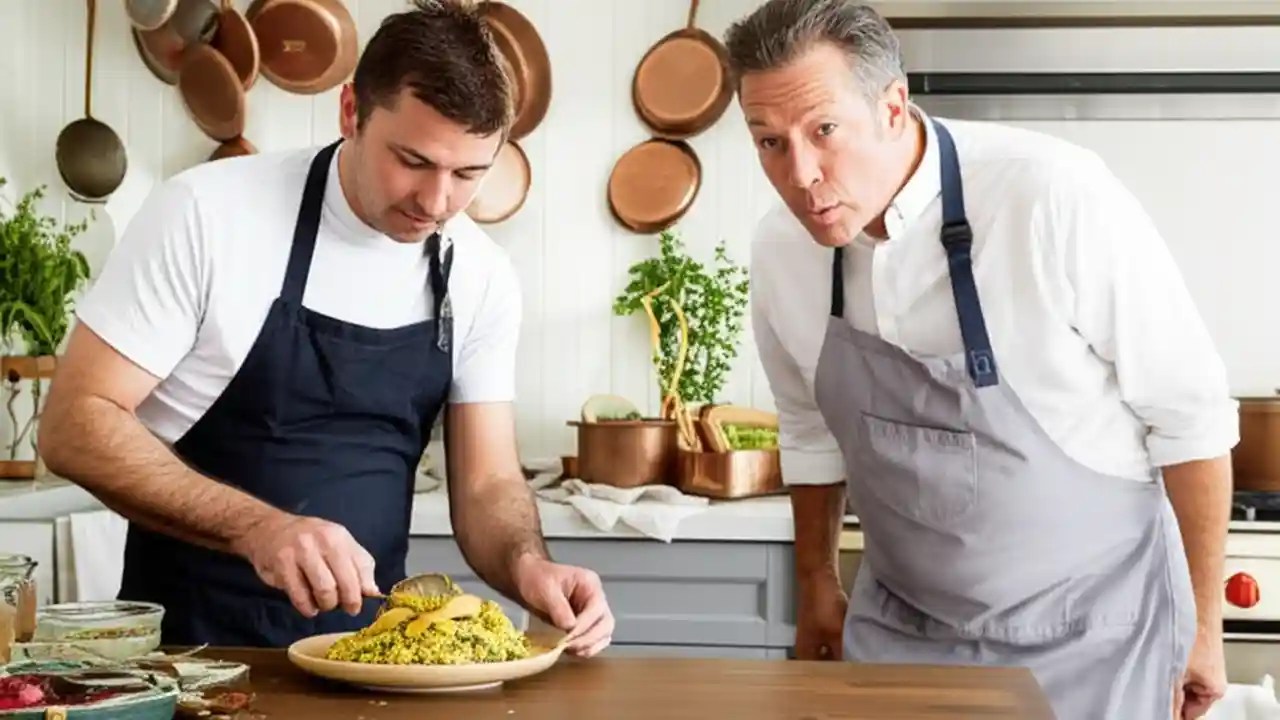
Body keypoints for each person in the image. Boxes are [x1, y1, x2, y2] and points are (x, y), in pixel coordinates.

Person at [38, 0, 614, 657]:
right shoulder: (207, 215)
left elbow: (486, 484)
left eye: (468, 175)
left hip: (372, 661)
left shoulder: (480, 274)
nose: (436, 201)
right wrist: (258, 526)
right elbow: (73, 424)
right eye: (413, 160)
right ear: (350, 113)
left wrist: (527, 565)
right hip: (194, 656)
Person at [724, 1, 1235, 718]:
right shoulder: (783, 249)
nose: (800, 172)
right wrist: (815, 585)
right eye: (769, 142)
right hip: (902, 640)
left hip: (1097, 645)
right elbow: (809, 429)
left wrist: (1204, 629)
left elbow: (1192, 419)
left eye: (824, 131)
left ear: (893, 106)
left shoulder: (1053, 195)